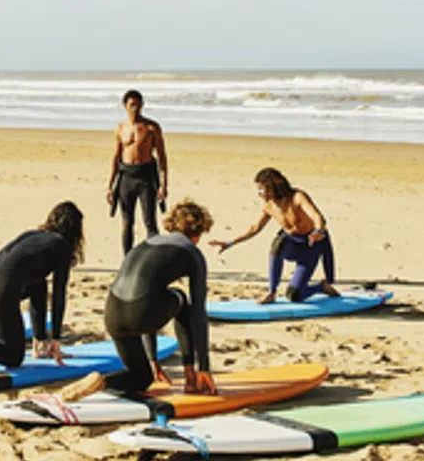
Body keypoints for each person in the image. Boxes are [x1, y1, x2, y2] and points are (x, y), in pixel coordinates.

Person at [57, 199, 217, 402]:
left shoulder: (146, 243)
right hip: (141, 311)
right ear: (199, 230)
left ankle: (101, 381)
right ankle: (191, 378)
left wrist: (153, 360)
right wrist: (204, 367)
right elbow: (198, 314)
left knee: (142, 378)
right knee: (182, 300)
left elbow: (143, 291)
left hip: (113, 314)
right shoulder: (192, 253)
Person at [0, 201, 83, 372]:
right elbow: (59, 294)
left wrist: (44, 336)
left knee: (39, 286)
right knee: (14, 356)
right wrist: (56, 337)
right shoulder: (62, 247)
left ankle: (39, 344)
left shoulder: (33, 235)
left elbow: (37, 286)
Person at [211, 168, 338, 303]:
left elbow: (316, 216)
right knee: (278, 243)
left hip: (311, 245)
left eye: (261, 189)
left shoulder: (297, 197)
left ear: (272, 187)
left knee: (294, 295)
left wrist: (318, 231)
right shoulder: (269, 206)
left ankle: (321, 287)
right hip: (292, 245)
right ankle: (272, 292)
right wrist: (230, 243)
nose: (259, 194)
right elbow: (255, 228)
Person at [106, 89, 168, 254]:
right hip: (126, 176)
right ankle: (127, 261)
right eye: (132, 104)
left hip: (145, 177)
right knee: (127, 223)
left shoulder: (151, 127)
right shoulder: (120, 129)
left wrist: (163, 185)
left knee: (150, 222)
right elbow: (116, 157)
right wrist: (109, 186)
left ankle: (154, 260)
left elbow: (162, 157)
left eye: (139, 104)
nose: (136, 108)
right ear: (125, 106)